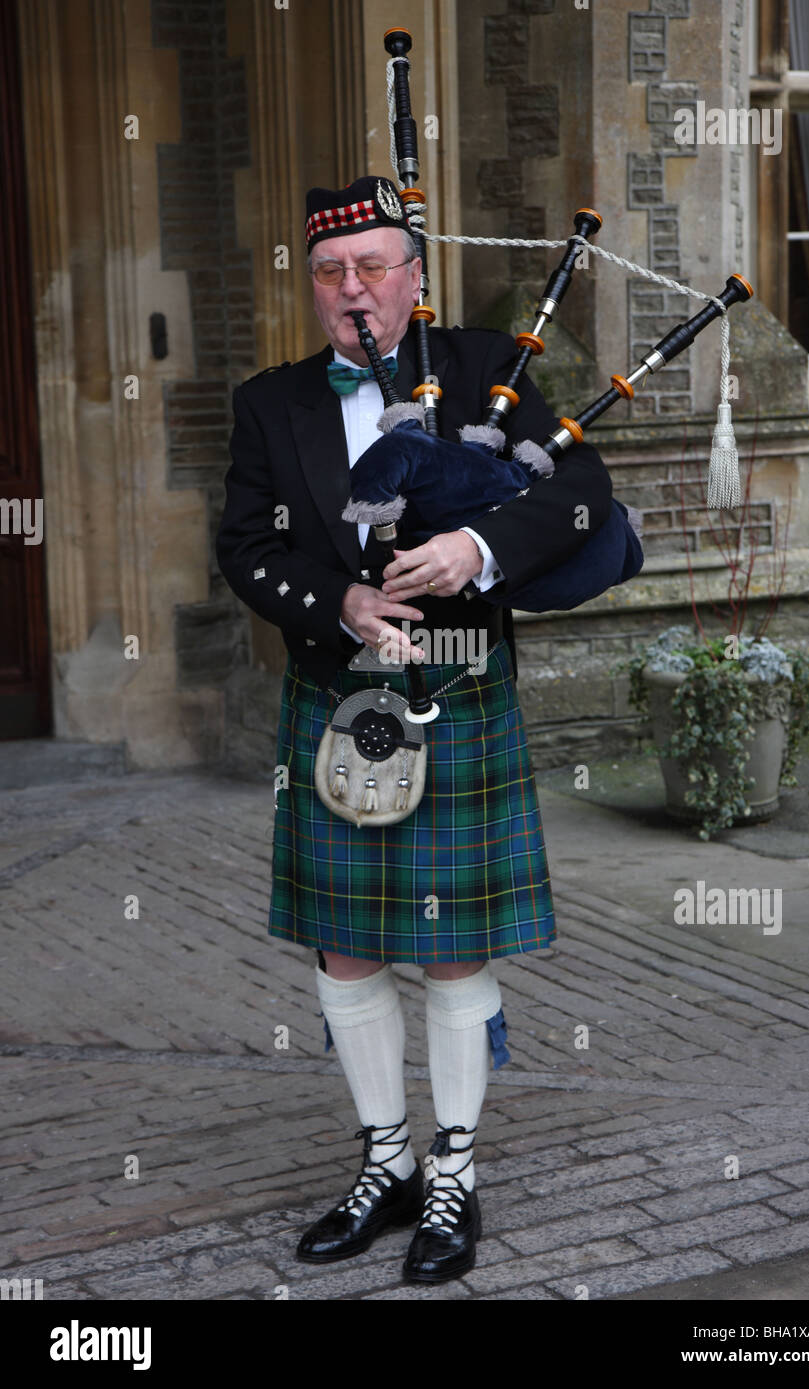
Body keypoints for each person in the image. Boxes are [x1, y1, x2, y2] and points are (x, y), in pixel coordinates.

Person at [216, 175, 612, 1285]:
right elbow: (244, 544)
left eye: (374, 268)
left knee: (448, 949)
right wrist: (334, 600)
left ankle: (453, 1172)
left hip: (457, 683)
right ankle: (383, 1160)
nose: (354, 291)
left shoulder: (492, 366)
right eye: (332, 273)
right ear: (312, 286)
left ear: (415, 277)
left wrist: (476, 548)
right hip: (335, 694)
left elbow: (582, 491)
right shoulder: (270, 401)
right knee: (343, 945)